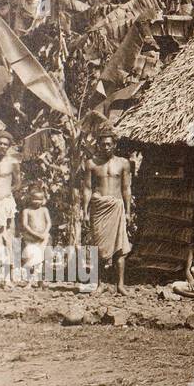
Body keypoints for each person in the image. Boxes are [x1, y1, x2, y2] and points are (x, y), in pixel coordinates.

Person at [82, 126, 133, 294]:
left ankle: (120, 285)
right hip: (98, 207)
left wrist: (128, 211)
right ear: (98, 145)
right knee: (98, 247)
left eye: (109, 144)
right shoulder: (91, 163)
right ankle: (100, 284)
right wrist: (85, 211)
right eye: (103, 144)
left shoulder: (123, 163)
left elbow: (126, 188)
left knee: (120, 248)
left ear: (114, 145)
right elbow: (87, 188)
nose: (106, 147)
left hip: (116, 207)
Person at [19, 185, 52, 287]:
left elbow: (49, 223)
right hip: (30, 238)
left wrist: (44, 233)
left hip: (43, 239)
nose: (38, 201)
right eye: (35, 199)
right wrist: (36, 234)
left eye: (40, 199)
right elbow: (25, 225)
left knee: (41, 260)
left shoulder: (44, 210)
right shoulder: (27, 211)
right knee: (30, 259)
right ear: (30, 199)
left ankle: (40, 281)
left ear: (43, 199)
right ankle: (29, 282)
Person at [0, 130, 19, 242]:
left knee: (5, 235)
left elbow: (18, 183)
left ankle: (9, 254)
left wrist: (7, 192)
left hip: (4, 202)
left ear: (9, 147)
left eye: (5, 144)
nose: (2, 146)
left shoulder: (12, 162)